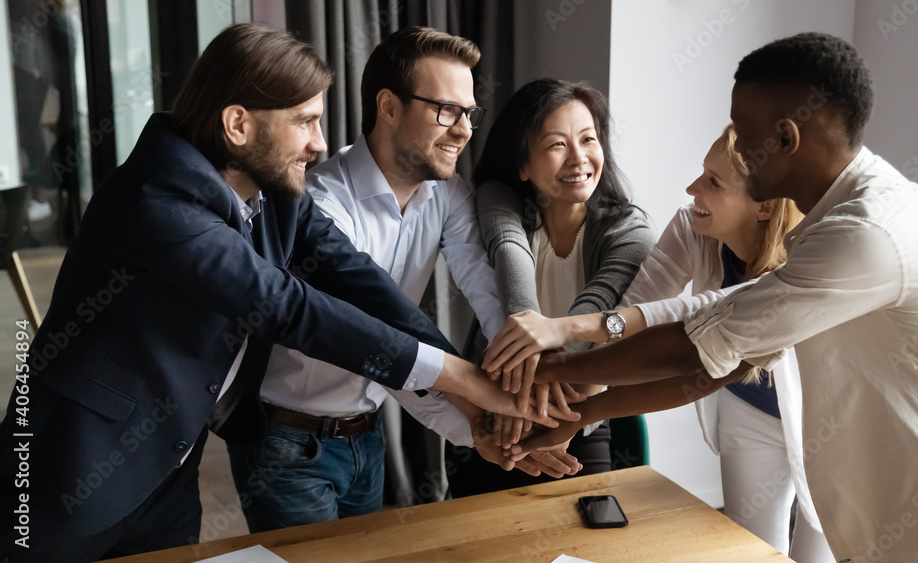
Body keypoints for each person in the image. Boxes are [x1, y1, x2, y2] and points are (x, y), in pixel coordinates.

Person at [0, 24, 549, 562]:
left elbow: (362, 283)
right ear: (238, 124)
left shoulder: (277, 189)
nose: (318, 141)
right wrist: (461, 378)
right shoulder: (155, 198)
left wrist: (463, 390)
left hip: (169, 464)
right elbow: (287, 306)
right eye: (306, 121)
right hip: (67, 465)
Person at [497, 32, 918, 562]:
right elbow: (716, 361)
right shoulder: (838, 214)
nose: (732, 143)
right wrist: (579, 409)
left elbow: (695, 342)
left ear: (784, 138)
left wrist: (543, 373)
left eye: (744, 130)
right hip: (902, 523)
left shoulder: (864, 232)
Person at [226, 27, 581, 533]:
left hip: (368, 435)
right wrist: (477, 411)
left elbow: (485, 289)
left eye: (469, 113)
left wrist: (522, 384)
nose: (464, 130)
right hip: (288, 443)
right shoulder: (323, 203)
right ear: (389, 107)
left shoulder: (449, 195)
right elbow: (375, 336)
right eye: (446, 111)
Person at [484, 124, 835, 561]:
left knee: (819, 550)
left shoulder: (805, 260)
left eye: (713, 182)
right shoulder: (692, 225)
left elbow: (694, 318)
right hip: (748, 404)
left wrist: (566, 331)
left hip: (828, 421)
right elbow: (642, 309)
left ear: (764, 206)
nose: (692, 189)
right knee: (754, 548)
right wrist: (571, 415)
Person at [446, 78, 656, 496]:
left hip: (579, 412)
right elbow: (513, 270)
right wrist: (515, 400)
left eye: (588, 140)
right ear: (522, 163)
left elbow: (591, 316)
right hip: (496, 408)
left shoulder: (629, 231)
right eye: (557, 144)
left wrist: (545, 409)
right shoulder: (498, 201)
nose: (579, 158)